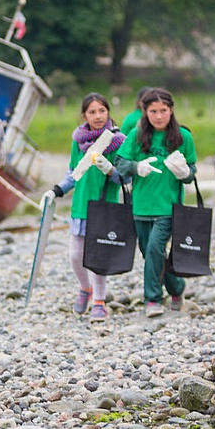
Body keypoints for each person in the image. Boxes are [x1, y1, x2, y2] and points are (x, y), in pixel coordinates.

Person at [41, 92, 127, 324]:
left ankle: (99, 301)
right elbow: (73, 172)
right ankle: (84, 288)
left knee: (98, 256)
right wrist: (56, 190)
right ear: (84, 115)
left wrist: (110, 169)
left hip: (104, 206)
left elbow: (125, 179)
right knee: (75, 255)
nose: (98, 116)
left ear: (108, 112)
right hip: (80, 204)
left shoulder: (118, 140)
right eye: (92, 112)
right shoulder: (78, 141)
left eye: (102, 110)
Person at [115, 88, 198, 317]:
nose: (159, 116)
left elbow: (191, 172)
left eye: (163, 110)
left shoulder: (183, 136)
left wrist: (184, 173)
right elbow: (120, 163)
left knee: (154, 248)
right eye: (153, 111)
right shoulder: (135, 134)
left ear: (171, 111)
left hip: (169, 206)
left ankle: (152, 299)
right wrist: (135, 167)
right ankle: (177, 288)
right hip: (141, 205)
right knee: (150, 252)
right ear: (145, 111)